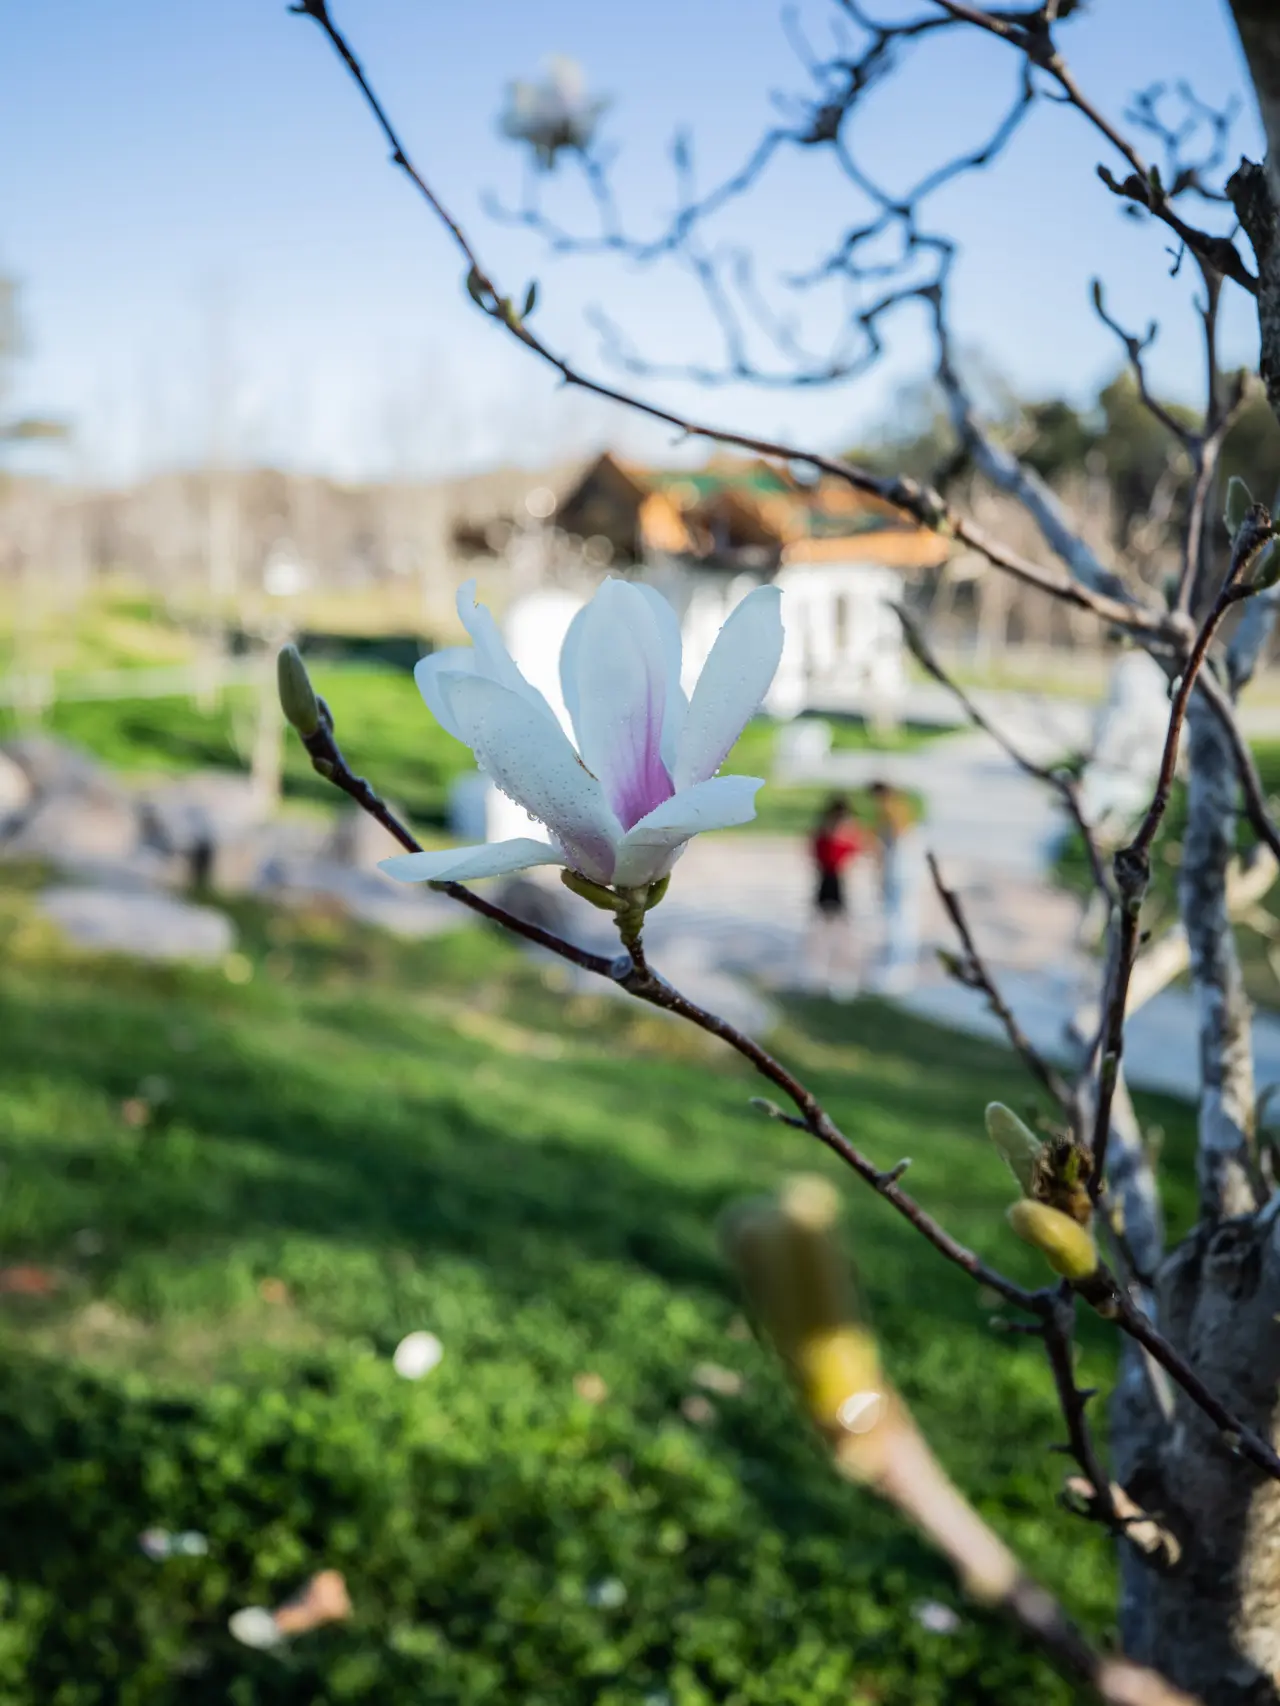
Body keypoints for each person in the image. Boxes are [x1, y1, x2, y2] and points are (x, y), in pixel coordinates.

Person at [804, 794, 871, 996]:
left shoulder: (835, 831)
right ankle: (821, 968)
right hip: (830, 879)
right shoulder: (828, 832)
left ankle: (837, 969)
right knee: (826, 927)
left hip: (836, 879)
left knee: (837, 927)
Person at [869, 779, 923, 994]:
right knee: (900, 917)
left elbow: (893, 844)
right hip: (900, 871)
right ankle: (897, 962)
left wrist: (882, 869)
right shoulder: (900, 809)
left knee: (898, 919)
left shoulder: (892, 812)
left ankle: (898, 965)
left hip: (898, 872)